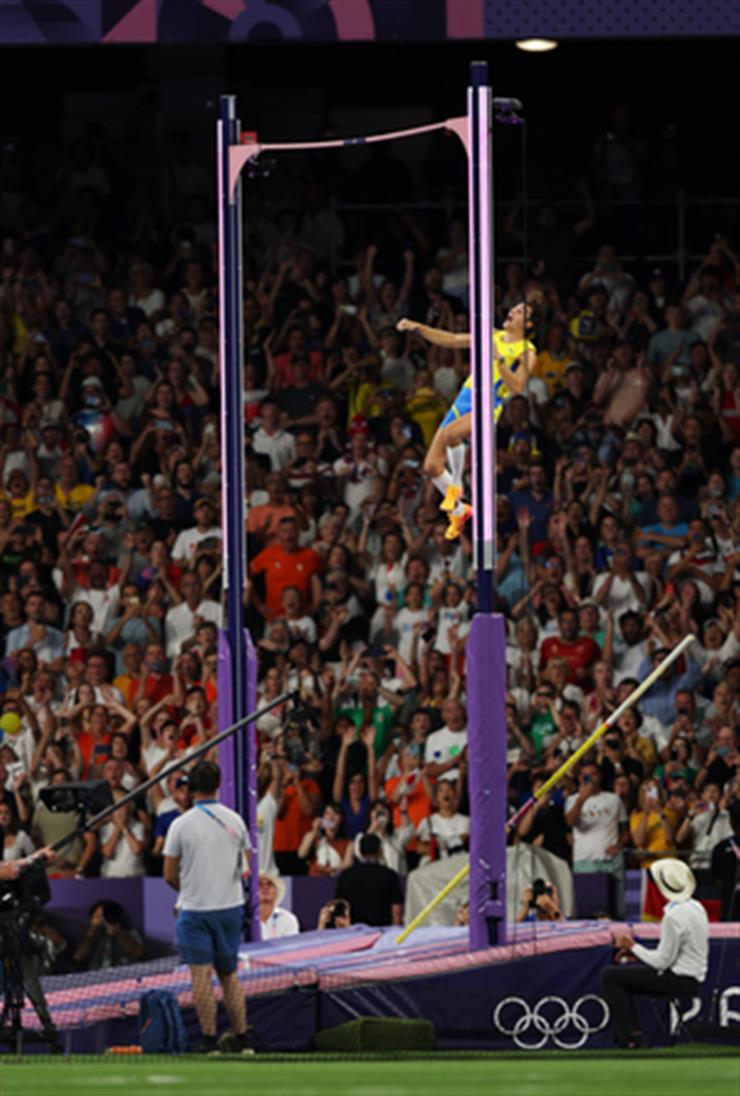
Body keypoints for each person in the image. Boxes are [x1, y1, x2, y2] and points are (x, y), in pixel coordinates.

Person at [397, 300, 537, 539]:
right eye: (513, 307)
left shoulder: (527, 350)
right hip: (465, 397)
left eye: (520, 311)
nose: (512, 311)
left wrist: (500, 361)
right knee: (431, 466)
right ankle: (461, 510)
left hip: (489, 400)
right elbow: (451, 340)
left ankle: (457, 486)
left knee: (452, 435)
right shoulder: (493, 334)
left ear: (529, 323)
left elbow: (517, 387)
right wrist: (418, 327)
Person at [163, 760, 253, 1054]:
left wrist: (189, 891)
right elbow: (245, 866)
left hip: (196, 910)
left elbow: (168, 874)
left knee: (200, 975)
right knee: (229, 975)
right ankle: (242, 1039)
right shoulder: (236, 820)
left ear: (190, 788)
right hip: (230, 908)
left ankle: (209, 1039)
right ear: (218, 785)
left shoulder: (180, 825)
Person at [601, 858, 708, 1049]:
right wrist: (638, 954)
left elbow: (661, 962)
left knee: (610, 975)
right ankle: (631, 1034)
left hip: (678, 979)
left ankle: (630, 1037)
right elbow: (672, 955)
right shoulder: (697, 908)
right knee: (623, 974)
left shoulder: (673, 917)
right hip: (693, 977)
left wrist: (631, 945)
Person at [335, 832, 404, 926]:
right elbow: (396, 910)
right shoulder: (389, 875)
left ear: (360, 851)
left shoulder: (346, 876)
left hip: (353, 935)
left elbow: (339, 910)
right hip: (382, 933)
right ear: (380, 851)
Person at [258, 872, 300, 940]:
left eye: (270, 884)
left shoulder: (288, 919)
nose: (265, 887)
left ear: (276, 891)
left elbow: (291, 948)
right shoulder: (245, 920)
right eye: (260, 884)